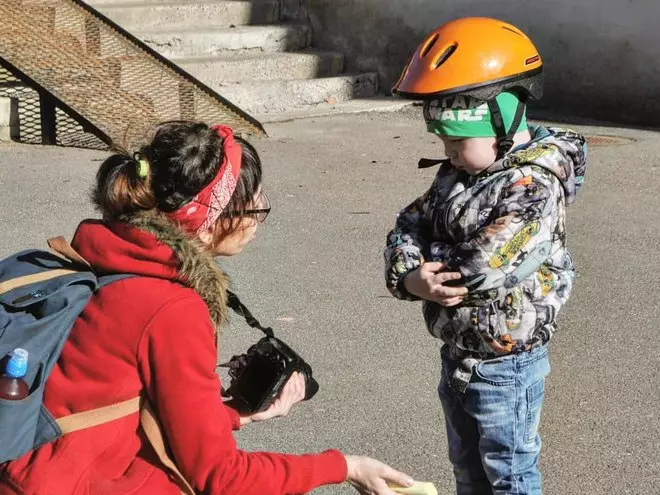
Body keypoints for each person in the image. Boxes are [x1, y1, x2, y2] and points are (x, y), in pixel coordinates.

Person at [1, 121, 415, 495]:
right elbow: (221, 477)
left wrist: (237, 416)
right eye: (253, 208)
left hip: (33, 468)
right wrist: (344, 466)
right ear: (210, 219)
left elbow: (118, 403)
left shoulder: (108, 257)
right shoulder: (171, 309)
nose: (257, 221)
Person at [384, 17, 587, 495]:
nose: (449, 153)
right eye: (443, 142)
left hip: (506, 364)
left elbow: (484, 265)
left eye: (457, 141)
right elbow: (407, 223)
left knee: (509, 475)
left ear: (502, 120)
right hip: (458, 353)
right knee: (468, 470)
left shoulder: (535, 187)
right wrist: (410, 276)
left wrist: (430, 268)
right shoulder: (460, 176)